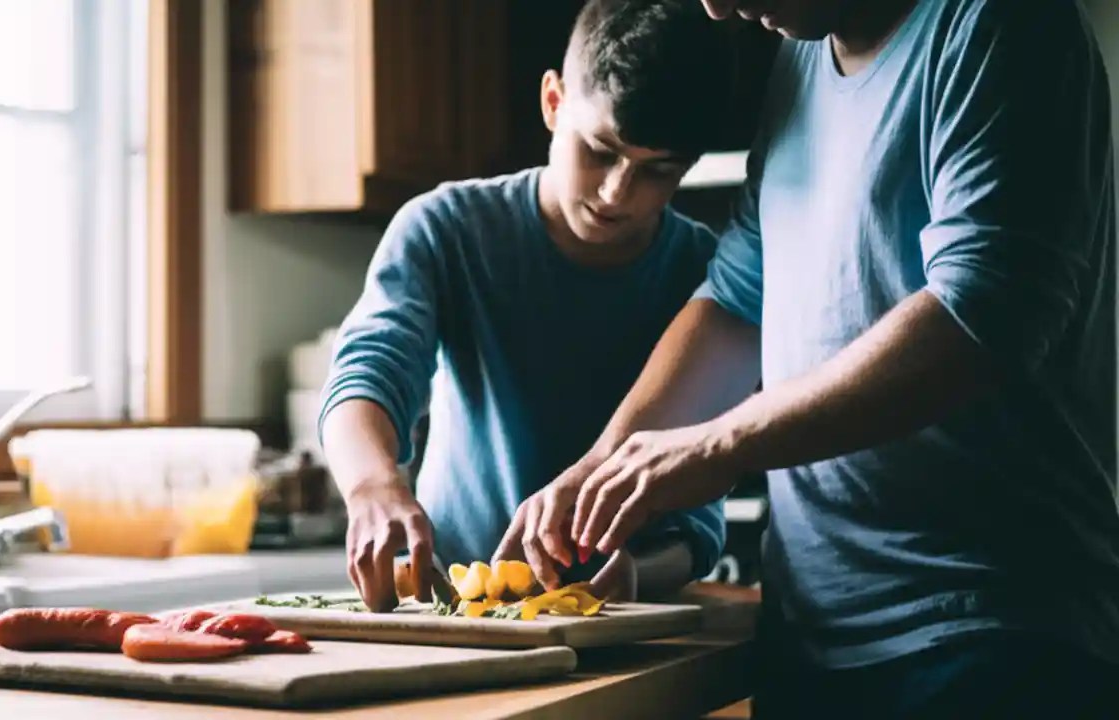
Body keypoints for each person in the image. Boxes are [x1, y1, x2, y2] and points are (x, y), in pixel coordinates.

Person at [511, 0, 1119, 716]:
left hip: (987, 635)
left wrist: (719, 443)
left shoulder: (1001, 24)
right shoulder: (796, 56)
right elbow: (739, 297)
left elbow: (984, 313)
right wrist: (604, 467)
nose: (715, 7)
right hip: (809, 635)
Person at [318, 0, 735, 612]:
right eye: (599, 150)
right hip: (456, 615)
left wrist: (641, 574)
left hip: (628, 620)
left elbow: (699, 506)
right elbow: (369, 368)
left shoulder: (708, 277)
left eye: (658, 171)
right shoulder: (444, 229)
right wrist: (372, 484)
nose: (617, 192)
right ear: (553, 102)